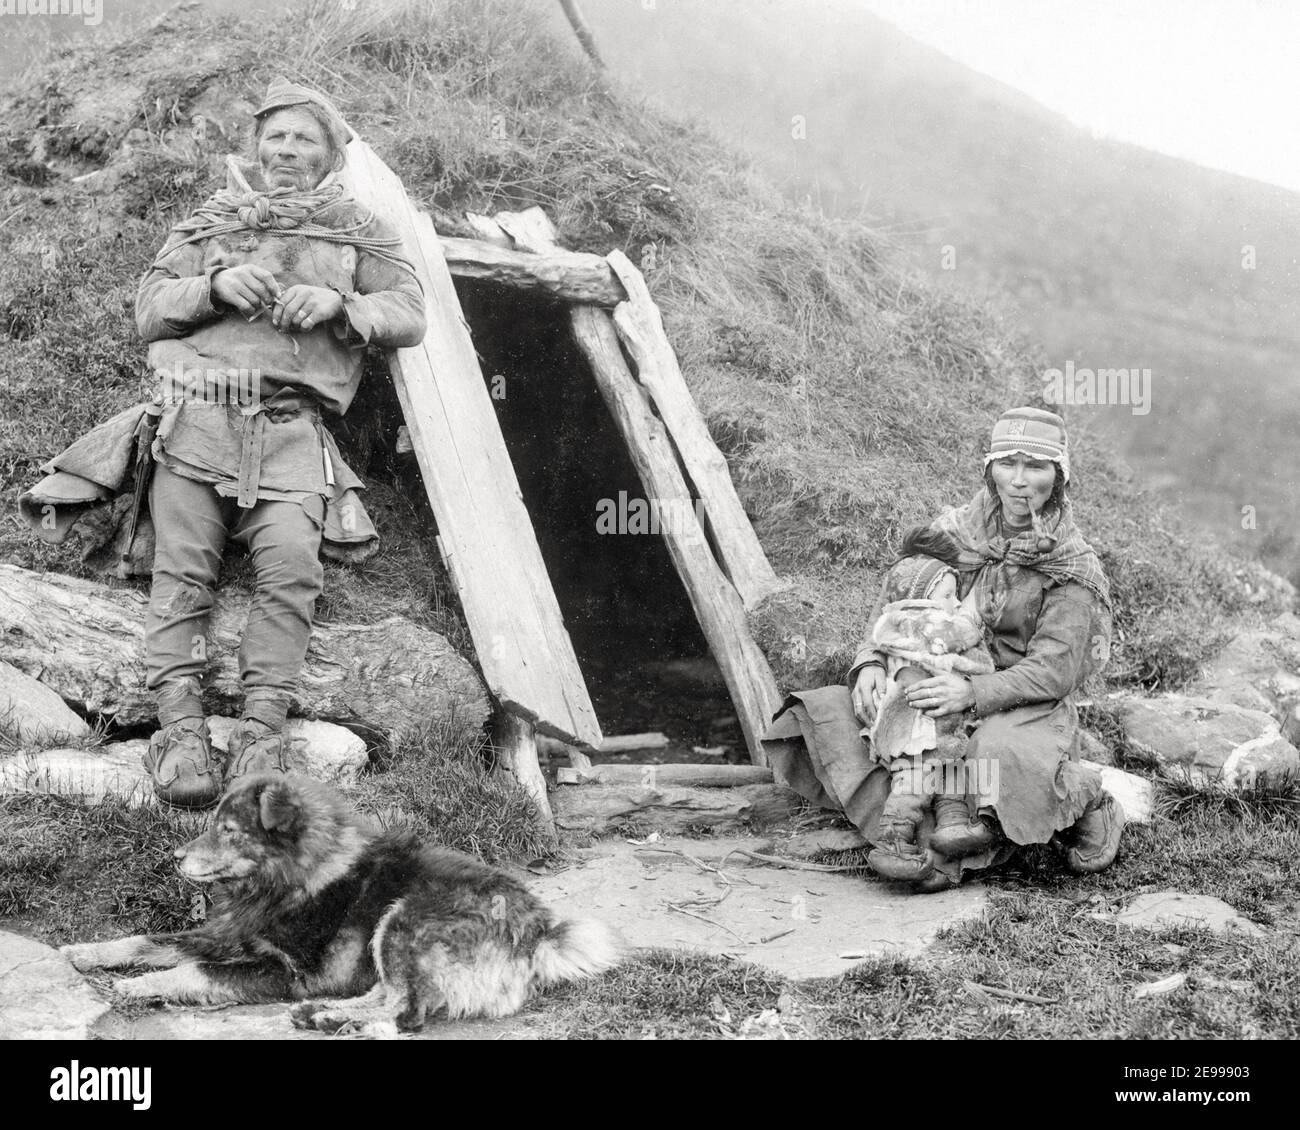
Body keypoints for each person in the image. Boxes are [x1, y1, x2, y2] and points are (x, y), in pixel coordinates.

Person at [133, 79, 426, 806]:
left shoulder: (359, 230)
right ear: (257, 147)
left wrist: (340, 304)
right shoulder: (211, 222)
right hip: (197, 424)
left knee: (292, 573)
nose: (287, 150)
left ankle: (261, 733)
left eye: (304, 138)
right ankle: (179, 732)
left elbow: (410, 312)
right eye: (276, 136)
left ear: (330, 155)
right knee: (182, 575)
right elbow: (149, 310)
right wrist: (214, 286)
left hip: (293, 436)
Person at [849, 406, 1124, 888]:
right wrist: (871, 662)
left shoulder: (1071, 567)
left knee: (988, 754)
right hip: (938, 676)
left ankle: (1088, 799)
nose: (1018, 480)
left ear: (1059, 477)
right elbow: (900, 598)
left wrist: (971, 693)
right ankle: (929, 831)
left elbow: (1053, 672)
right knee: (856, 718)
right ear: (989, 468)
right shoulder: (956, 530)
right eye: (1007, 464)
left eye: (1035, 466)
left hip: (1021, 699)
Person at [860, 553, 994, 886]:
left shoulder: (923, 625)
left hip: (946, 727)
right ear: (921, 599)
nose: (957, 603)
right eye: (948, 595)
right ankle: (892, 841)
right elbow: (960, 641)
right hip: (917, 730)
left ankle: (952, 827)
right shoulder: (919, 625)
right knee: (914, 784)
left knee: (953, 772)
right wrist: (972, 627)